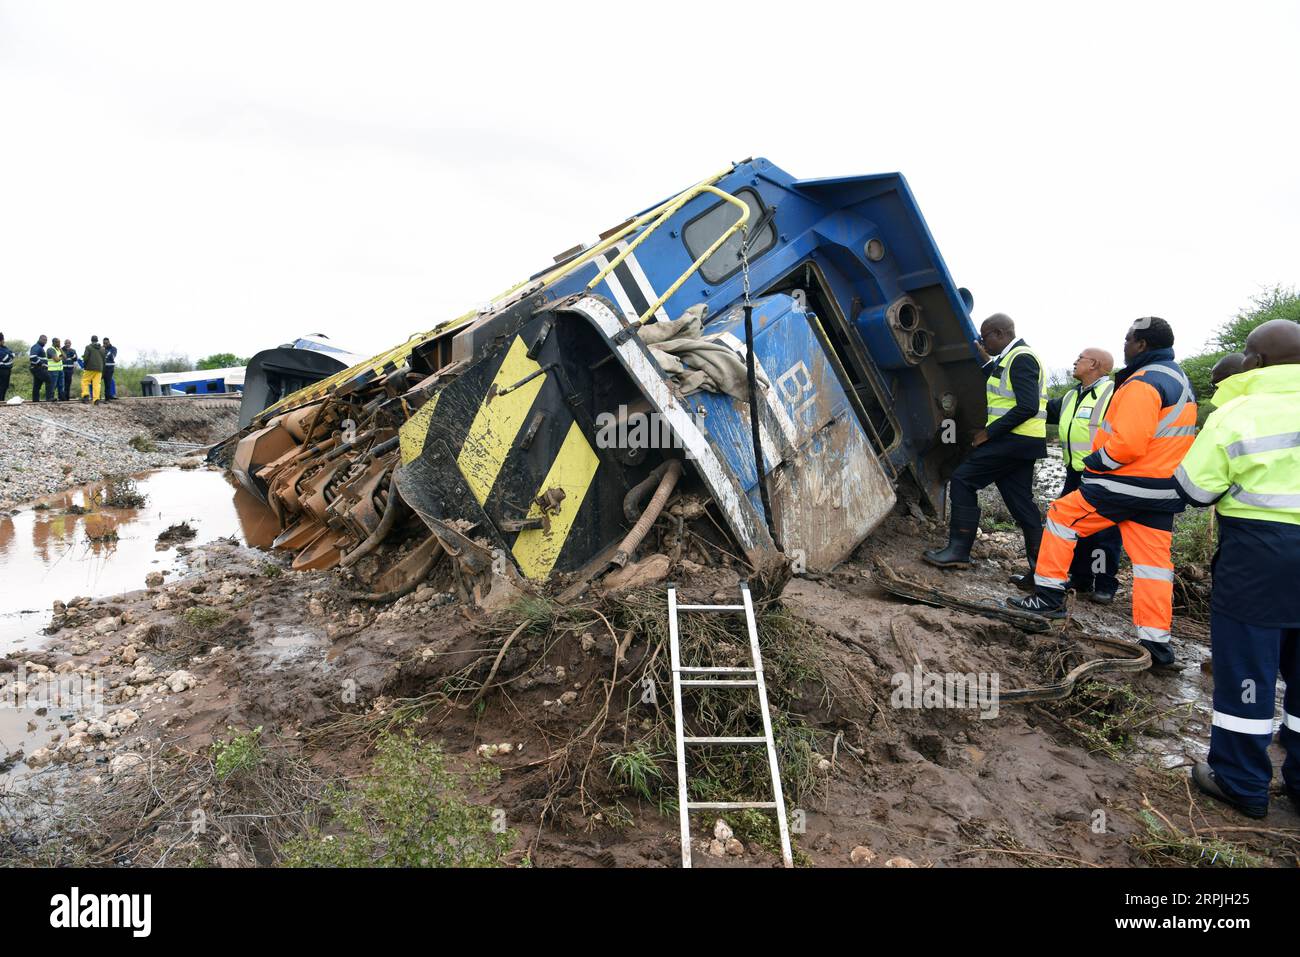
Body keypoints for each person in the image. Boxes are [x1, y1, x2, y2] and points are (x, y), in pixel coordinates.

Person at [1009, 317, 1197, 668]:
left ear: (1140, 345)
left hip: (1125, 484)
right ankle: (1157, 646)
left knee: (1062, 517)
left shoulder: (1144, 382)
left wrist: (1096, 462)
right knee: (1153, 567)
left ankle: (1048, 598)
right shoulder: (1179, 379)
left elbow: (1128, 444)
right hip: (1160, 492)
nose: (1124, 344)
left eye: (1128, 339)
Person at [1175, 319, 1300, 820]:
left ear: (1257, 362)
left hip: (1259, 556)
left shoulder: (1237, 412)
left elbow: (1193, 490)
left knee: (1248, 671)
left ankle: (1241, 780)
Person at [923, 313, 1047, 574]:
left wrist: (988, 434)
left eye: (985, 336)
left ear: (1000, 333)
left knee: (962, 480)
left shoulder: (1022, 358)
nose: (983, 341)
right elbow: (1004, 385)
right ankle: (1043, 572)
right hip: (1022, 442)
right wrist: (986, 360)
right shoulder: (1012, 358)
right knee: (1022, 505)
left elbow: (1027, 406)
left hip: (1012, 440)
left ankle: (958, 551)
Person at [1014, 347, 1123, 602]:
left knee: (1105, 532)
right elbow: (1043, 410)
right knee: (1075, 527)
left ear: (1094, 364)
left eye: (1079, 359)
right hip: (1075, 471)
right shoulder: (1073, 395)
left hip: (1103, 472)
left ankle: (1105, 584)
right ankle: (1081, 578)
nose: (1074, 362)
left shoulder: (1112, 393)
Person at [81, 335, 105, 404]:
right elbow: (104, 360)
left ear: (91, 340)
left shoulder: (88, 347)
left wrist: (84, 366)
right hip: (99, 368)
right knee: (97, 384)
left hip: (90, 368)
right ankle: (96, 399)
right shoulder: (102, 349)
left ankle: (85, 396)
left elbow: (85, 358)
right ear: (97, 340)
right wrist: (103, 369)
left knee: (85, 381)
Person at [29, 334, 53, 402]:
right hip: (37, 368)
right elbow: (33, 357)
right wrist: (42, 364)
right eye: (44, 340)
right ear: (39, 339)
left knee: (37, 384)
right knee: (49, 380)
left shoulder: (40, 347)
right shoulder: (36, 347)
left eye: (46, 340)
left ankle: (35, 400)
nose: (45, 342)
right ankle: (49, 398)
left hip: (37, 368)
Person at [47, 337, 64, 402]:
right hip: (52, 370)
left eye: (59, 342)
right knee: (53, 385)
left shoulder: (58, 350)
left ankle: (61, 397)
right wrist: (60, 357)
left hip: (60, 370)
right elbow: (56, 360)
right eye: (58, 342)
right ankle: (50, 398)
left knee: (61, 385)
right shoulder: (50, 349)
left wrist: (60, 349)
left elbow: (65, 357)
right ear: (54, 342)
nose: (59, 343)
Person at [0, 334, 13, 402]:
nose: (4, 341)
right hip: (2, 370)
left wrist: (9, 355)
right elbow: (6, 358)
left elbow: (12, 354)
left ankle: (2, 401)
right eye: (3, 340)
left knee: (4, 387)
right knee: (2, 387)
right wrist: (9, 355)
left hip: (6, 370)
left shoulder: (4, 348)